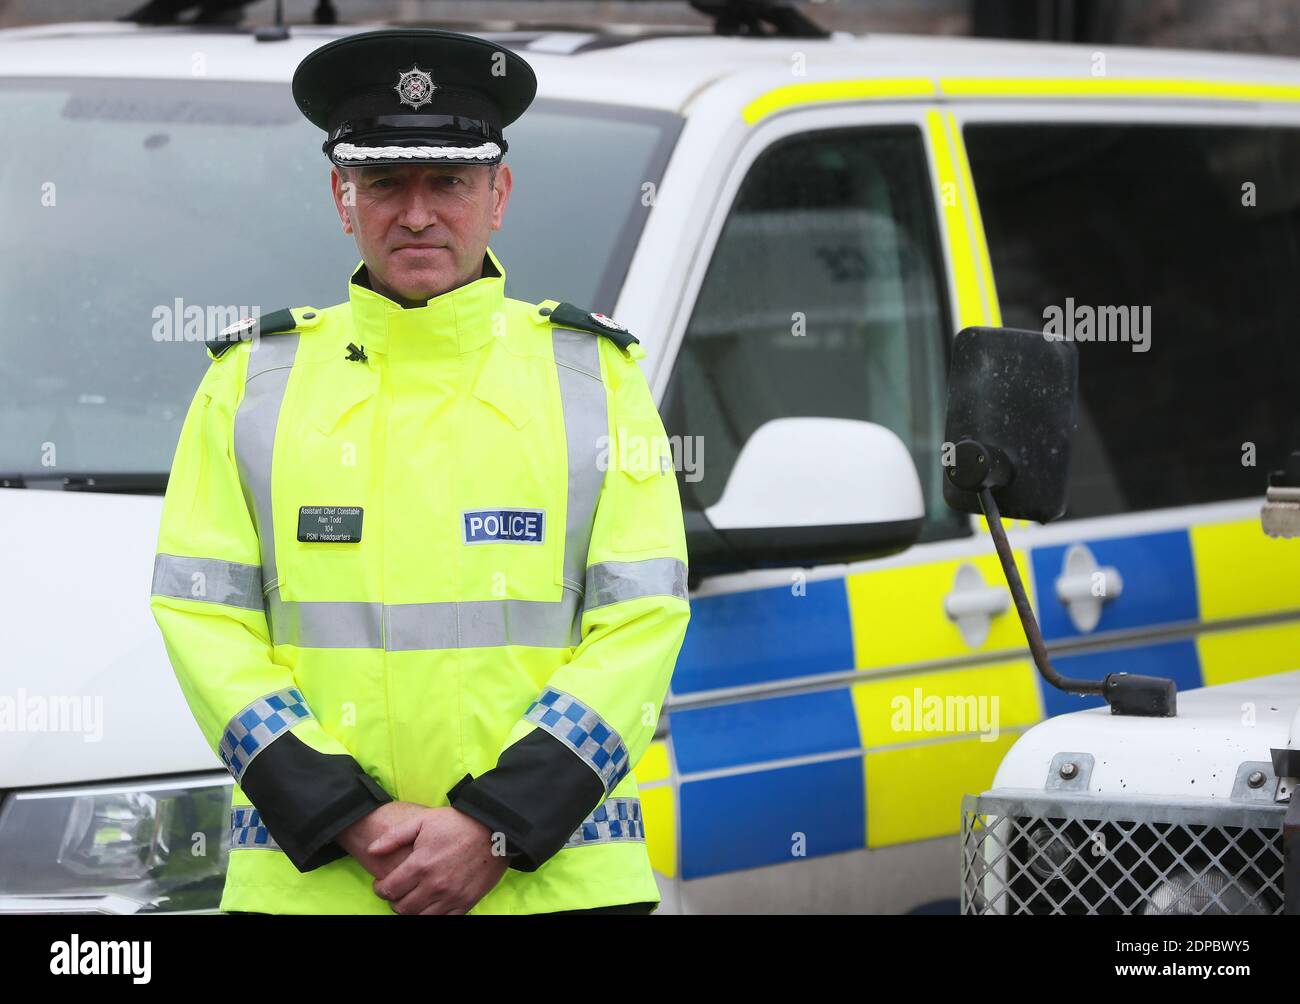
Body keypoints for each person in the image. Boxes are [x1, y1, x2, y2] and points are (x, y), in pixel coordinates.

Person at [149, 27, 690, 915]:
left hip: (551, 891)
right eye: (385, 181)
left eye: (448, 181)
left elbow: (643, 621)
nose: (416, 212)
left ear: (498, 192)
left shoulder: (595, 379)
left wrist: (497, 828)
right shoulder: (248, 385)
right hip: (315, 892)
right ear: (342, 194)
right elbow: (202, 619)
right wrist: (345, 818)